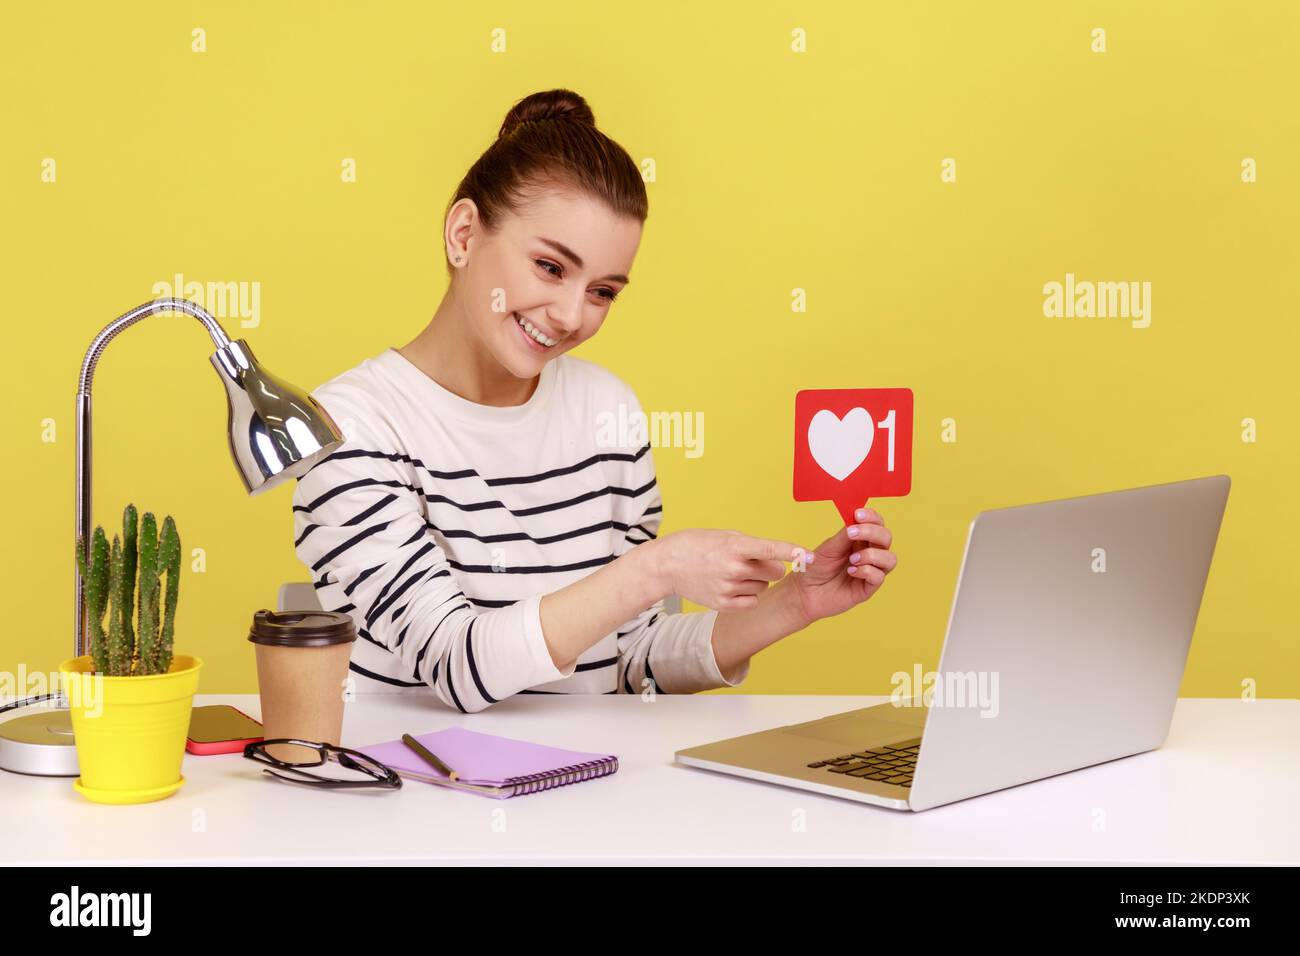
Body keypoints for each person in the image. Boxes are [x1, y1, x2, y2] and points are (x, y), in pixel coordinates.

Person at [291, 88, 897, 712]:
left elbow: (629, 658)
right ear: (464, 234)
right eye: (551, 267)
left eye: (603, 291)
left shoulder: (607, 410)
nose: (571, 315)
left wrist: (795, 603)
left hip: (589, 792)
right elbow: (456, 662)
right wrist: (659, 568)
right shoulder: (348, 427)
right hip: (420, 793)